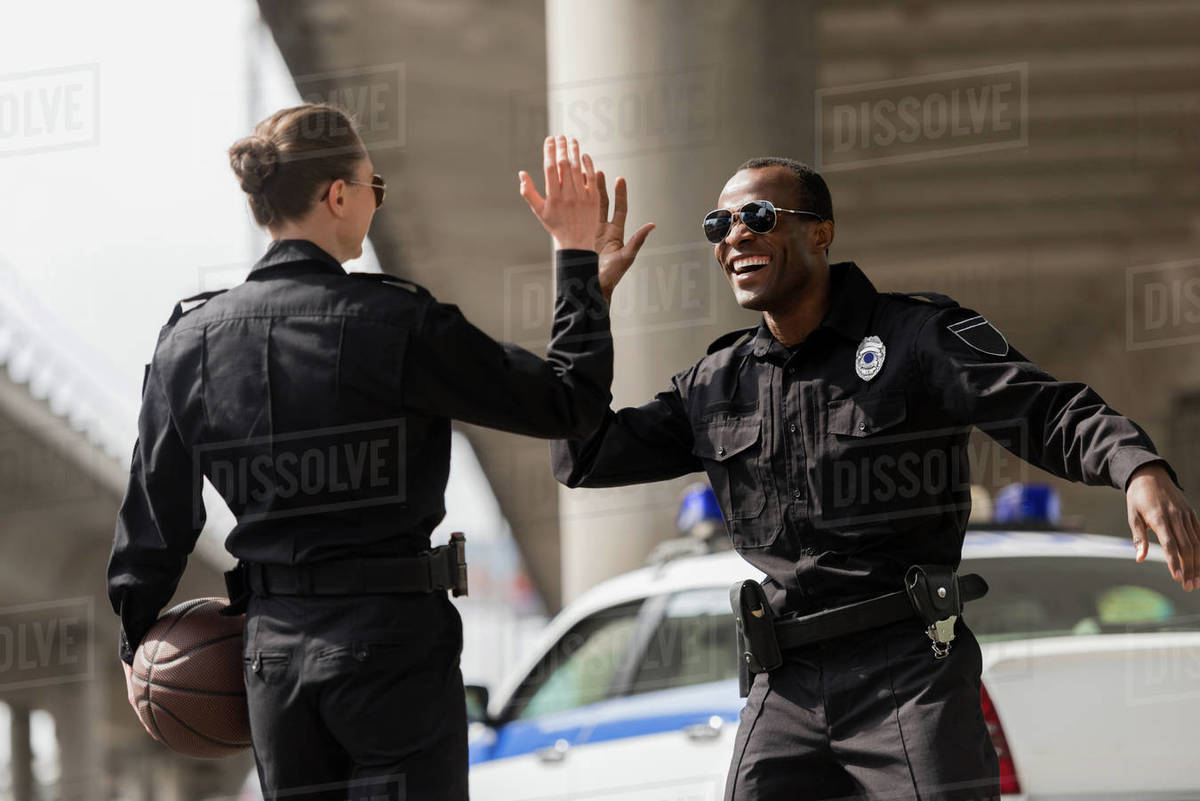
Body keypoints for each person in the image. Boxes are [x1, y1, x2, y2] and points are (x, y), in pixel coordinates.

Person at [551, 156, 1200, 801]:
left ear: (820, 232)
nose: (735, 236)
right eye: (719, 224)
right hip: (784, 682)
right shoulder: (719, 381)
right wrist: (587, 292)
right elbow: (587, 454)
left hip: (910, 670)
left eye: (758, 217)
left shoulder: (917, 337)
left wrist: (1135, 466)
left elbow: (1043, 407)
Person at [106, 102, 650, 801]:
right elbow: (565, 404)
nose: (375, 201)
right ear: (338, 195)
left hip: (272, 658)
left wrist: (136, 640)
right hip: (393, 647)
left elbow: (156, 518)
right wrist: (580, 270)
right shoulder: (397, 322)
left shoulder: (188, 342)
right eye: (375, 187)